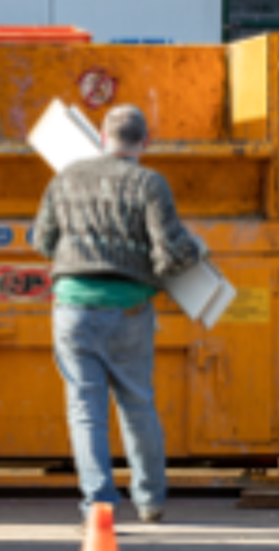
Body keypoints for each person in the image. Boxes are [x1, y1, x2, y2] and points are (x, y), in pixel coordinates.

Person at [31, 104, 206, 523]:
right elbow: (169, 254)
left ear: (103, 138)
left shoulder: (66, 178)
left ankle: (99, 504)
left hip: (72, 309)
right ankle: (149, 501)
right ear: (144, 142)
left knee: (85, 410)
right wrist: (194, 251)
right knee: (138, 405)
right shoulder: (149, 183)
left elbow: (42, 241)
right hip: (128, 310)